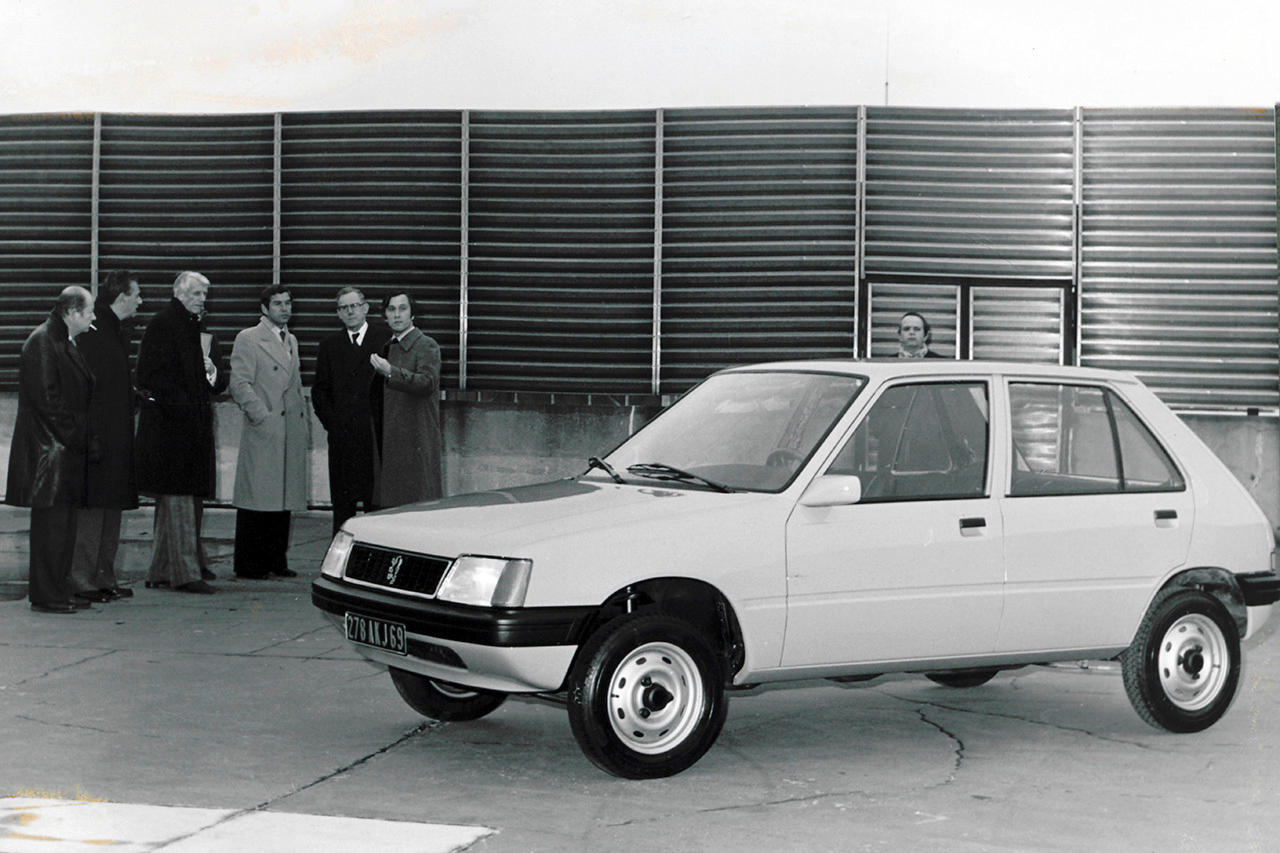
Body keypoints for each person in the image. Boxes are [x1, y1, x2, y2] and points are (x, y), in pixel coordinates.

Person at [135, 271, 228, 594]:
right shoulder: (165, 324)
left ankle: (161, 569)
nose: (204, 300)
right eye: (199, 294)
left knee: (176, 501)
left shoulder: (188, 324)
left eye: (205, 294)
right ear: (181, 294)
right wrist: (183, 408)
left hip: (183, 426)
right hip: (172, 430)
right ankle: (185, 573)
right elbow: (148, 374)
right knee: (179, 500)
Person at [5, 286, 97, 614]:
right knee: (51, 528)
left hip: (61, 451)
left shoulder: (59, 340)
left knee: (63, 527)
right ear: (71, 312)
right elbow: (48, 398)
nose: (93, 317)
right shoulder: (43, 341)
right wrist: (77, 437)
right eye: (89, 312)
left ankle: (59, 588)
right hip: (50, 453)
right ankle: (47, 595)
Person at [69, 270, 143, 603]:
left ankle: (103, 575)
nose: (140, 301)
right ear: (121, 297)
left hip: (116, 436)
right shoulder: (93, 331)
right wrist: (91, 435)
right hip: (97, 438)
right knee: (93, 508)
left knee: (111, 506)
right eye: (137, 295)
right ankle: (82, 579)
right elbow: (84, 387)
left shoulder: (114, 331)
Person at [228, 284, 307, 579]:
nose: (285, 309)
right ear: (264, 308)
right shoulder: (249, 338)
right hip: (266, 427)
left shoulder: (291, 339)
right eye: (277, 304)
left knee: (282, 496)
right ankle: (249, 563)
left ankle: (276, 559)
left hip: (288, 428)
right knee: (257, 498)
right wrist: (260, 414)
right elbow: (239, 383)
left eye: (288, 303)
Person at [312, 286, 392, 535]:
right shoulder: (329, 345)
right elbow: (320, 391)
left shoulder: (385, 339)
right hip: (342, 436)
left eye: (354, 306)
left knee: (375, 501)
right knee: (343, 502)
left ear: (365, 308)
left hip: (374, 434)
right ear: (338, 313)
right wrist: (333, 424)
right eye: (344, 308)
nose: (350, 312)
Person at [370, 291, 443, 507]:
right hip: (392, 436)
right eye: (391, 309)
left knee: (416, 499)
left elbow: (427, 382)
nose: (397, 315)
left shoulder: (426, 344)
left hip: (415, 437)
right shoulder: (388, 346)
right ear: (385, 315)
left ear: (413, 314)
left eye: (403, 308)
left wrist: (391, 372)